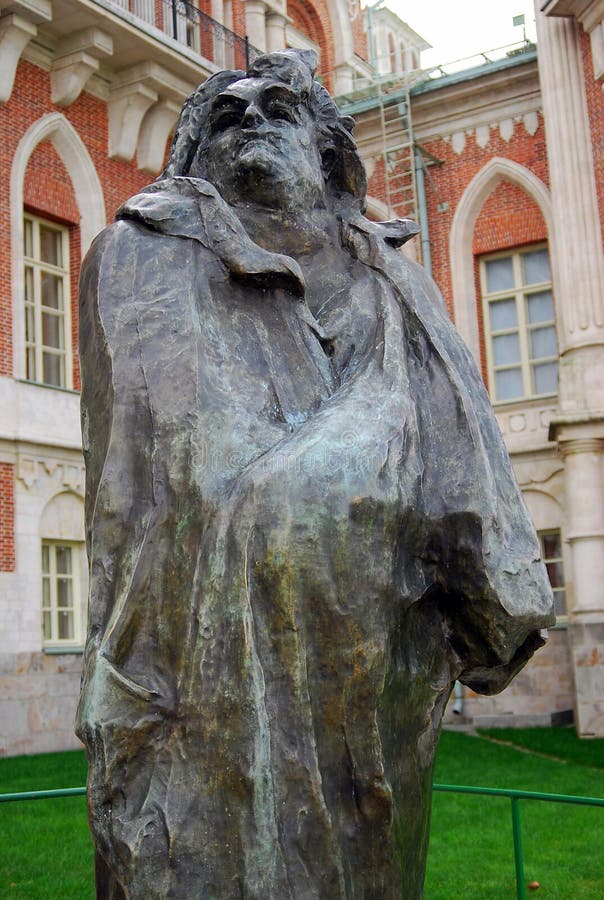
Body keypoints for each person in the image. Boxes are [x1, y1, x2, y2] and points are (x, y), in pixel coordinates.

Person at [77, 49, 554, 899]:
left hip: (373, 711)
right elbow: (169, 494)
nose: (251, 117)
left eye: (278, 107)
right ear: (193, 162)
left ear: (332, 157)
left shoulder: (402, 292)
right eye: (226, 114)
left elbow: (488, 559)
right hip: (190, 713)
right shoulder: (139, 263)